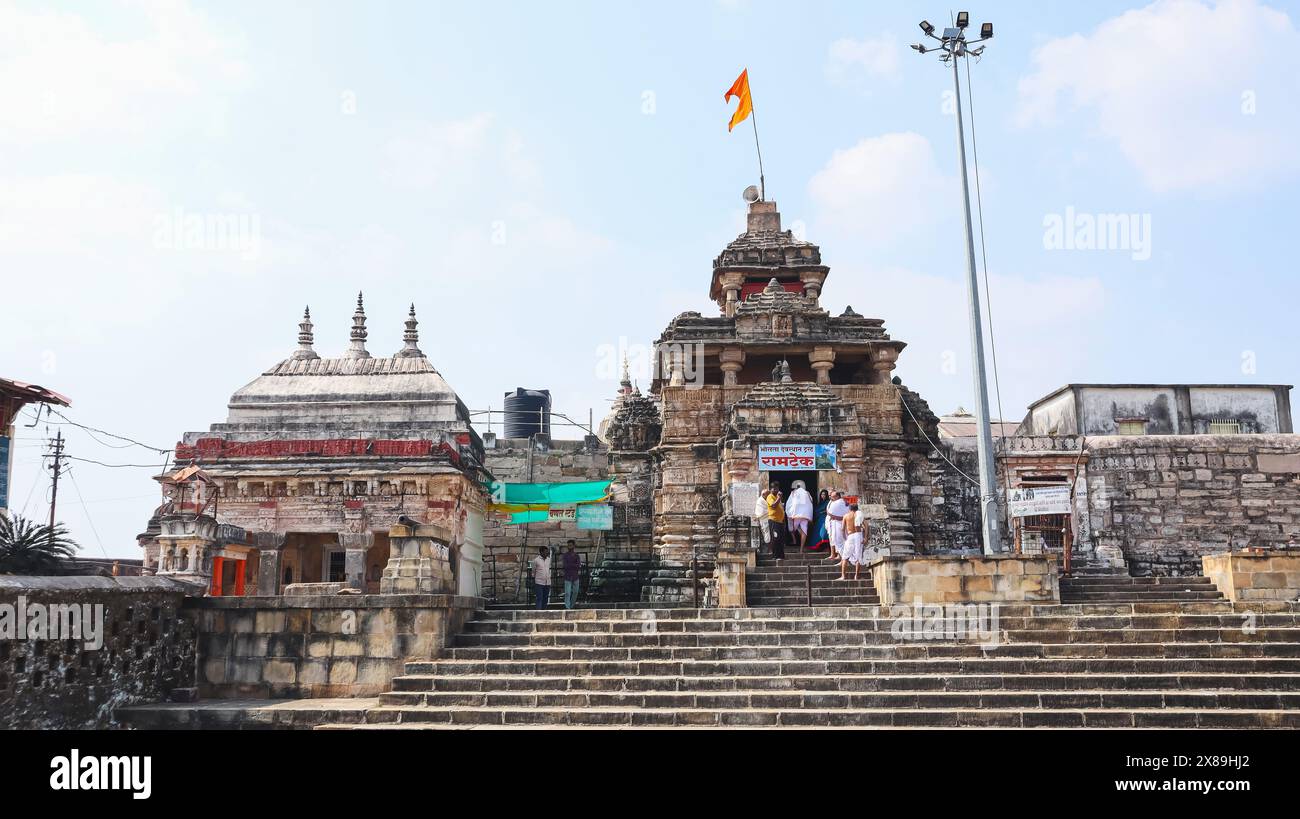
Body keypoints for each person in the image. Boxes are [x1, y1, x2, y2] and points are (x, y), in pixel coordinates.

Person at [838, 503, 866, 581]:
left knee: (845, 557)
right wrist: (866, 537)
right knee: (858, 556)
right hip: (858, 536)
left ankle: (843, 576)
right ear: (857, 509)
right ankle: (856, 576)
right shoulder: (859, 515)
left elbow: (842, 529)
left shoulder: (846, 516)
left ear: (849, 509)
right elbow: (866, 526)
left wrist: (844, 538)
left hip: (850, 537)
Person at [785, 480, 815, 552]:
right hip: (805, 515)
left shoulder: (793, 492)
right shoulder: (807, 493)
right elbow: (811, 502)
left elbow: (789, 503)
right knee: (804, 531)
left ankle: (795, 540)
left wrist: (789, 512)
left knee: (791, 529)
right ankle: (801, 549)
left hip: (796, 515)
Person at [825, 491, 848, 562]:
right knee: (835, 540)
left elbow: (830, 512)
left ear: (837, 496)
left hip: (839, 525)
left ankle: (842, 559)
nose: (830, 498)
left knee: (840, 541)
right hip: (834, 524)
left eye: (832, 496)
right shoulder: (834, 502)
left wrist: (833, 516)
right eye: (830, 496)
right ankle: (838, 557)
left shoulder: (840, 502)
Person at [765, 486, 787, 561]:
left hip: (780, 521)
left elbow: (781, 509)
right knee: (775, 538)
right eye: (774, 489)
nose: (776, 490)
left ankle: (781, 556)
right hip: (773, 521)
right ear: (770, 490)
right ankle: (775, 556)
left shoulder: (777, 497)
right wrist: (779, 498)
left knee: (780, 538)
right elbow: (773, 506)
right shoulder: (770, 497)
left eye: (777, 489)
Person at [562, 540, 582, 610]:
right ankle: (567, 607)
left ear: (574, 546)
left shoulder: (577, 556)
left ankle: (571, 605)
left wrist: (571, 565)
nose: (569, 547)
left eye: (570, 545)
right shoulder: (565, 555)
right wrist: (573, 565)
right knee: (567, 593)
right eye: (568, 545)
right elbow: (565, 565)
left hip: (575, 576)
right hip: (567, 576)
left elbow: (578, 565)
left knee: (575, 592)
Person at [531, 545, 552, 609]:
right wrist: (535, 579)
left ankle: (544, 611)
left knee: (545, 598)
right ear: (541, 552)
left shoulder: (549, 560)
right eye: (545, 552)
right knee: (539, 598)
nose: (547, 553)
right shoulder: (536, 560)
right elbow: (533, 571)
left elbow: (549, 569)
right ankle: (538, 612)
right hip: (539, 582)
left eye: (547, 552)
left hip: (547, 582)